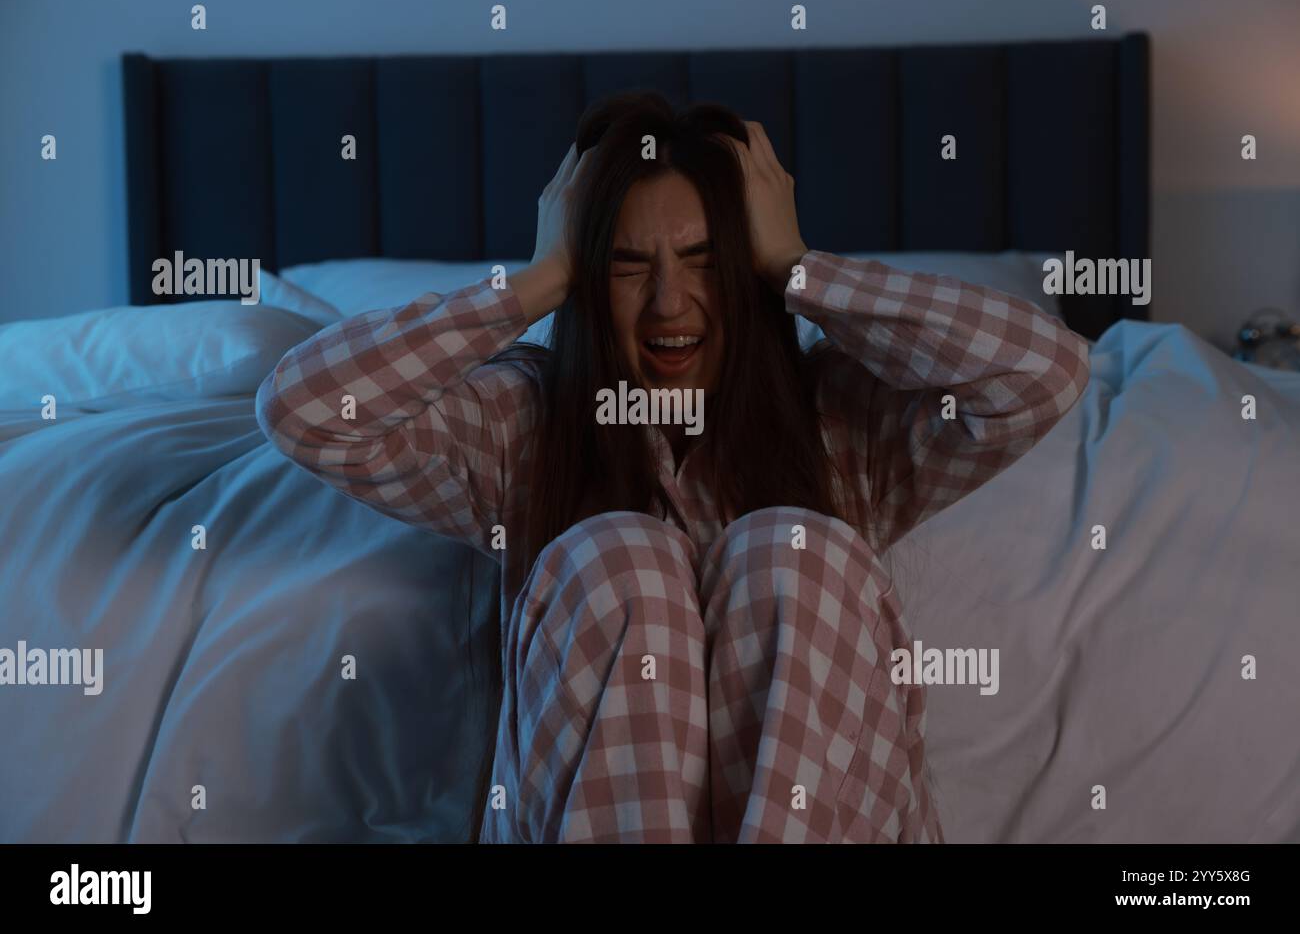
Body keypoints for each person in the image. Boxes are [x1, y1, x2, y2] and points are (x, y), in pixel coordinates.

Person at [256, 91, 1091, 843]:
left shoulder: (841, 422)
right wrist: (535, 283)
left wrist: (801, 269)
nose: (668, 302)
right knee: (620, 559)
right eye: (625, 265)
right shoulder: (525, 427)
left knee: (792, 552)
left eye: (704, 261)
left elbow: (1042, 375)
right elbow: (307, 410)